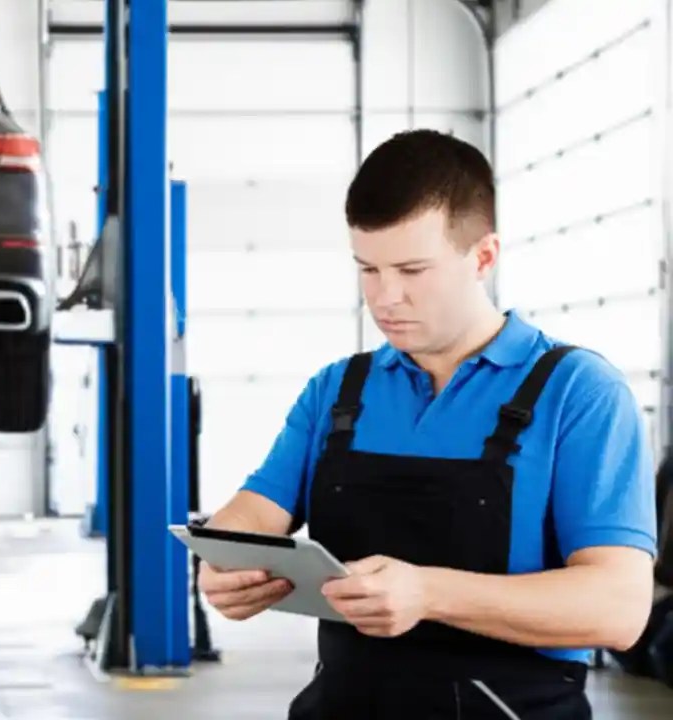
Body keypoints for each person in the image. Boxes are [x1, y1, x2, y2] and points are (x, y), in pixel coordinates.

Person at [199, 129, 659, 719]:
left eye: (413, 269)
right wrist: (226, 564)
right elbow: (254, 513)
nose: (385, 297)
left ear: (484, 257)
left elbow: (618, 609)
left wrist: (428, 593)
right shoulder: (339, 391)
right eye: (368, 269)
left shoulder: (578, 392)